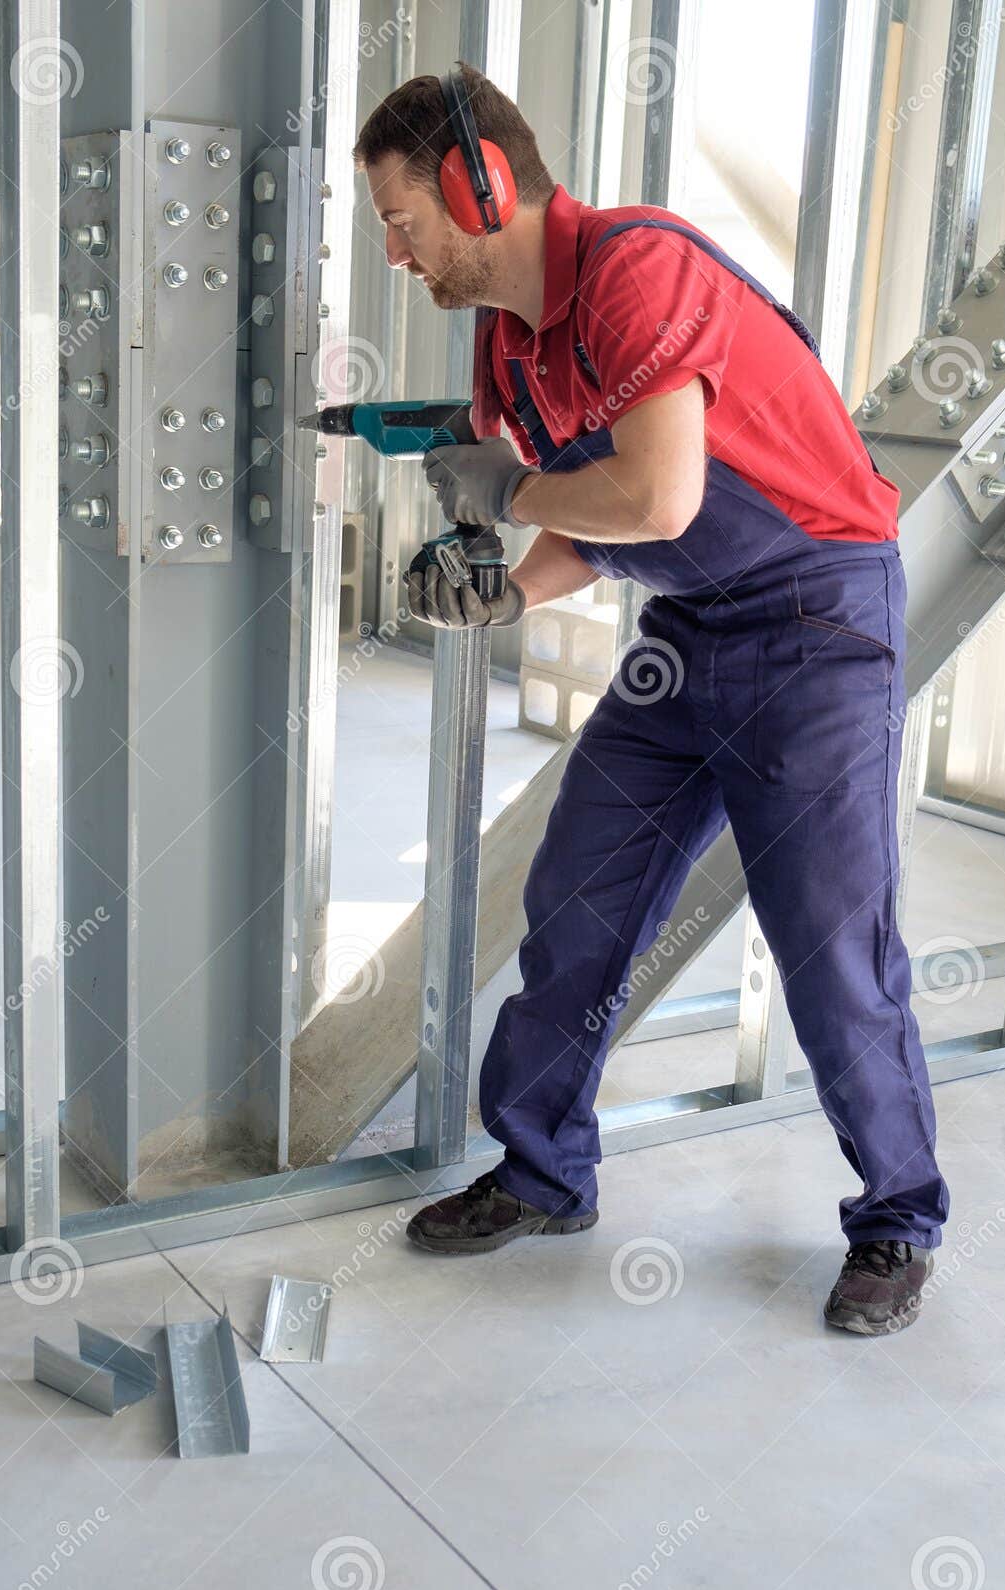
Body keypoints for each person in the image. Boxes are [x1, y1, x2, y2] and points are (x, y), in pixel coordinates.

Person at [351, 62, 947, 1336]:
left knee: (827, 941)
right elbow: (604, 516)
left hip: (815, 619)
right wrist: (510, 594)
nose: (395, 254)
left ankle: (896, 1213)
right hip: (688, 624)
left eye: (400, 221)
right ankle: (542, 1168)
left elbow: (659, 498)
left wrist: (499, 493)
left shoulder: (636, 269)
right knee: (576, 899)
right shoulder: (507, 343)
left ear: (479, 184)